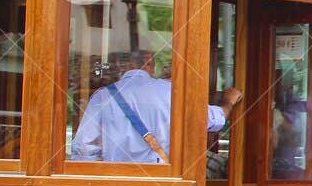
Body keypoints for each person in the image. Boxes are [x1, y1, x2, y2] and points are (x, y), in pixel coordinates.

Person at [71, 50, 241, 163]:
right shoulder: (170, 92)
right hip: (163, 182)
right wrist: (229, 101)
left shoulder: (102, 96)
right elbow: (215, 119)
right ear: (150, 64)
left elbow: (84, 149)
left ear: (127, 66)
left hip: (117, 182)